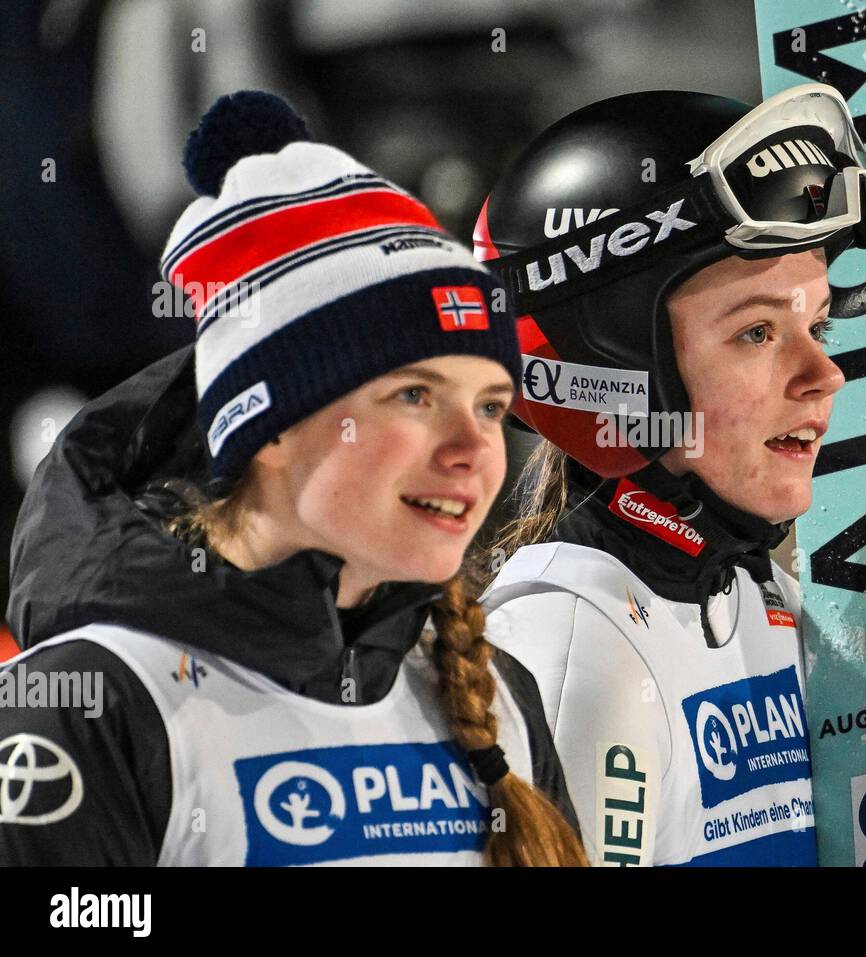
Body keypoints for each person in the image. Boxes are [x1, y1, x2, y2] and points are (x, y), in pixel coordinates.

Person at [0, 91, 585, 866]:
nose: (471, 449)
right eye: (415, 395)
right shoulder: (92, 702)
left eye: (489, 406)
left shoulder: (495, 695)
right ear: (269, 426)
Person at [472, 84, 866, 865]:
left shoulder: (757, 597)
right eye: (756, 332)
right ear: (614, 367)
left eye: (818, 326)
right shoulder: (578, 639)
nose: (824, 374)